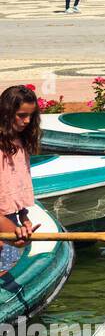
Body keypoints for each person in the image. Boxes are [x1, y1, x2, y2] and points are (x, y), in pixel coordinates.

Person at [0, 85, 38, 278]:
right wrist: (14, 236)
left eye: (31, 115)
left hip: (11, 222)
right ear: (7, 113)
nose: (27, 121)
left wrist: (23, 218)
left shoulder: (19, 142)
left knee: (11, 265)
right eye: (21, 115)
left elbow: (16, 188)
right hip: (3, 225)